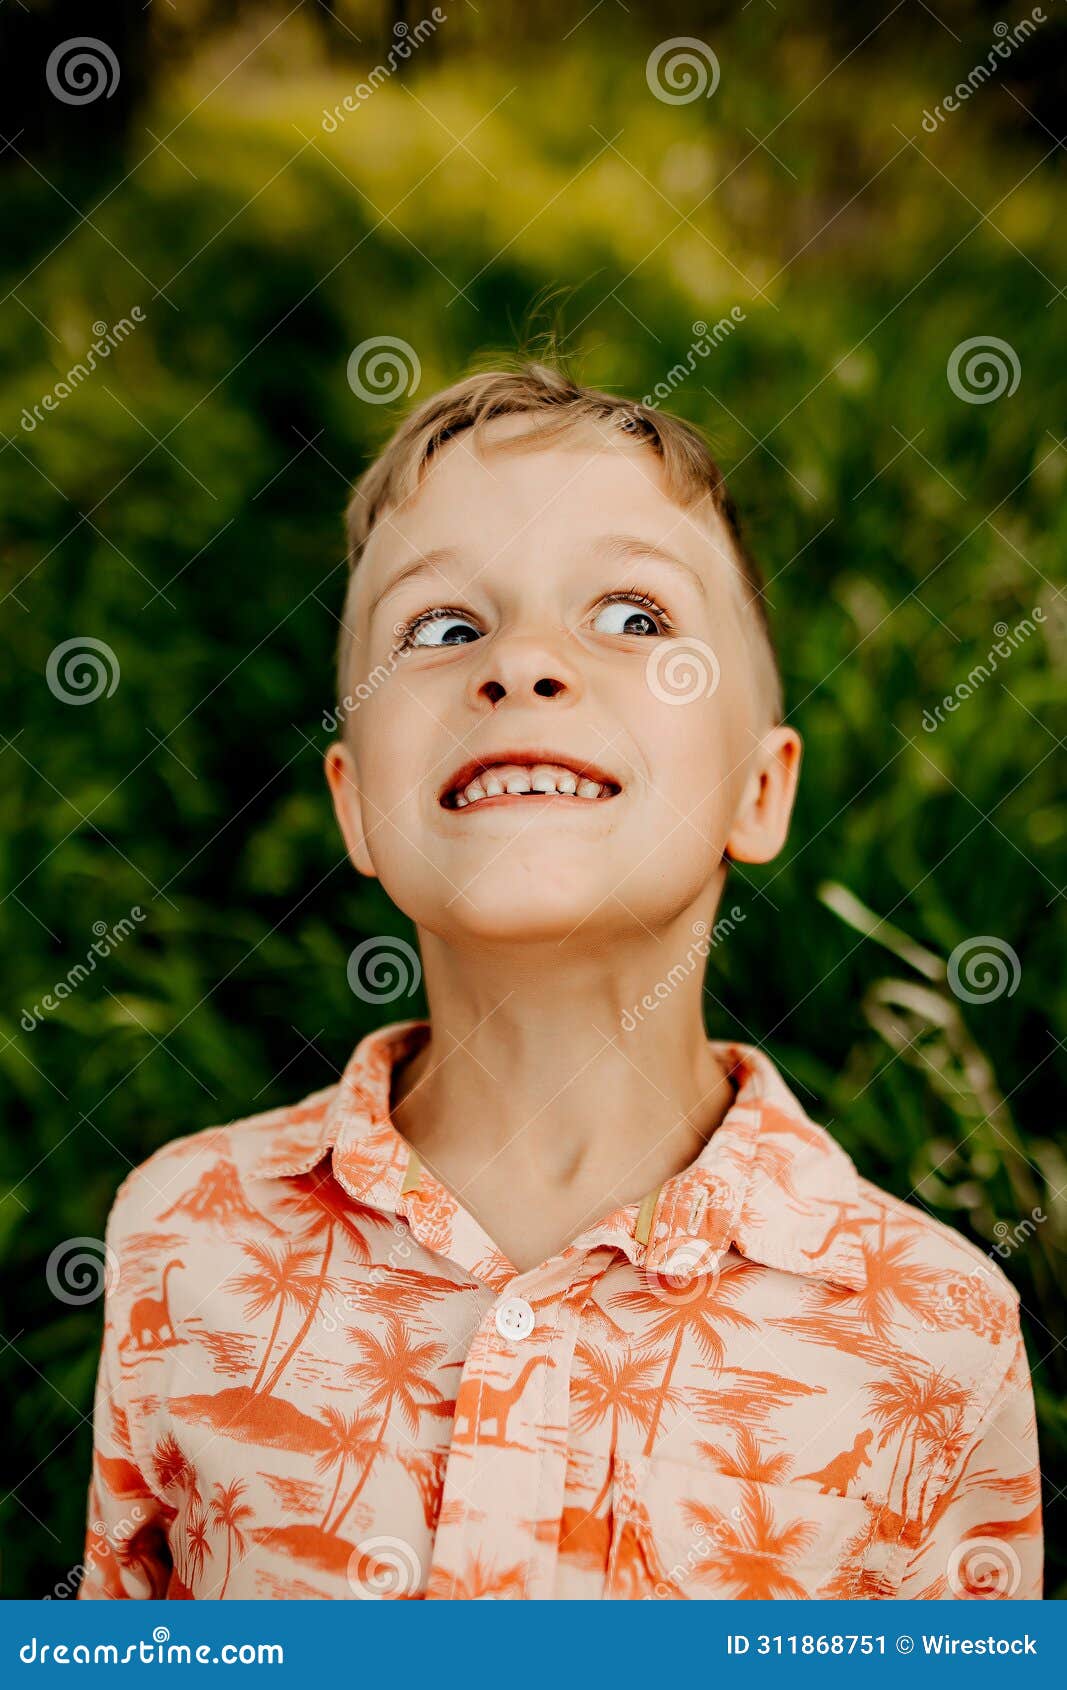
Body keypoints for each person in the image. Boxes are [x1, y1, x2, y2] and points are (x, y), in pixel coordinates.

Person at [78, 362, 1042, 1600]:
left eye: (632, 616)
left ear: (759, 788)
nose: (522, 663)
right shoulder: (184, 1235)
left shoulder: (936, 1330)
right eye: (441, 628)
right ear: (356, 806)